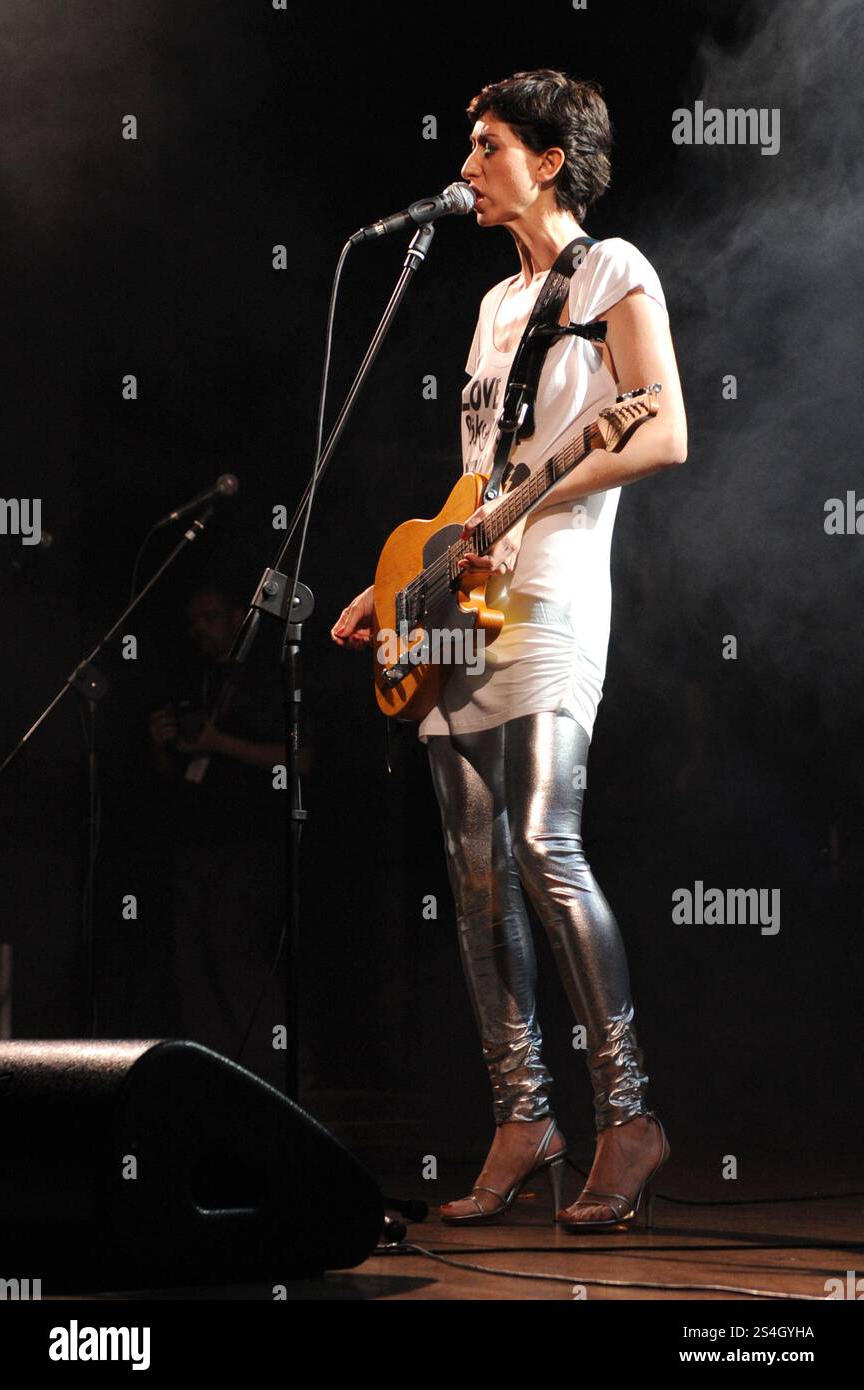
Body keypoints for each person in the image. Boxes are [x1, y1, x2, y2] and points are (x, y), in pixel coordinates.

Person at [332, 69, 687, 1229]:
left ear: (547, 158)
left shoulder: (614, 269)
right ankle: (523, 1113)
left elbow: (664, 427)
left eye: (486, 147)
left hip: (555, 592)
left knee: (544, 840)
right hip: (461, 598)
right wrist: (395, 587)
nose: (468, 165)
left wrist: (536, 501)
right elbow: (472, 485)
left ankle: (628, 1115)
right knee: (475, 877)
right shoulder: (491, 306)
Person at [149, 581, 289, 1090]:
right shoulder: (191, 678)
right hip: (191, 846)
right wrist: (163, 743)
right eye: (194, 622)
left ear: (235, 617)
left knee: (242, 969)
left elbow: (302, 762)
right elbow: (171, 774)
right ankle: (210, 1084)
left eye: (210, 616)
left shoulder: (265, 677)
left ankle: (268, 1084)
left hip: (249, 847)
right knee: (193, 973)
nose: (201, 630)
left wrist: (219, 742)